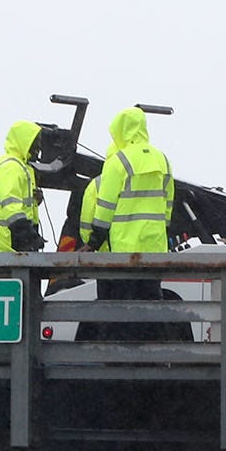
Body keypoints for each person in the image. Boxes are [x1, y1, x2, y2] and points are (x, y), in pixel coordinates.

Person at [83, 107, 175, 339]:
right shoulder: (162, 159)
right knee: (151, 309)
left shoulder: (118, 162)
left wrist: (93, 243)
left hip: (124, 251)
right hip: (154, 250)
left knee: (118, 313)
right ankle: (153, 363)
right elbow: (168, 205)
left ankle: (120, 363)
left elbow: (105, 209)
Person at [0, 121, 45, 251]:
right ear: (25, 141)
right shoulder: (12, 168)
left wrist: (34, 201)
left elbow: (14, 203)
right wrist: (31, 237)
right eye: (35, 141)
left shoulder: (19, 167)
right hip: (5, 247)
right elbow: (12, 209)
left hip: (4, 247)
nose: (39, 146)